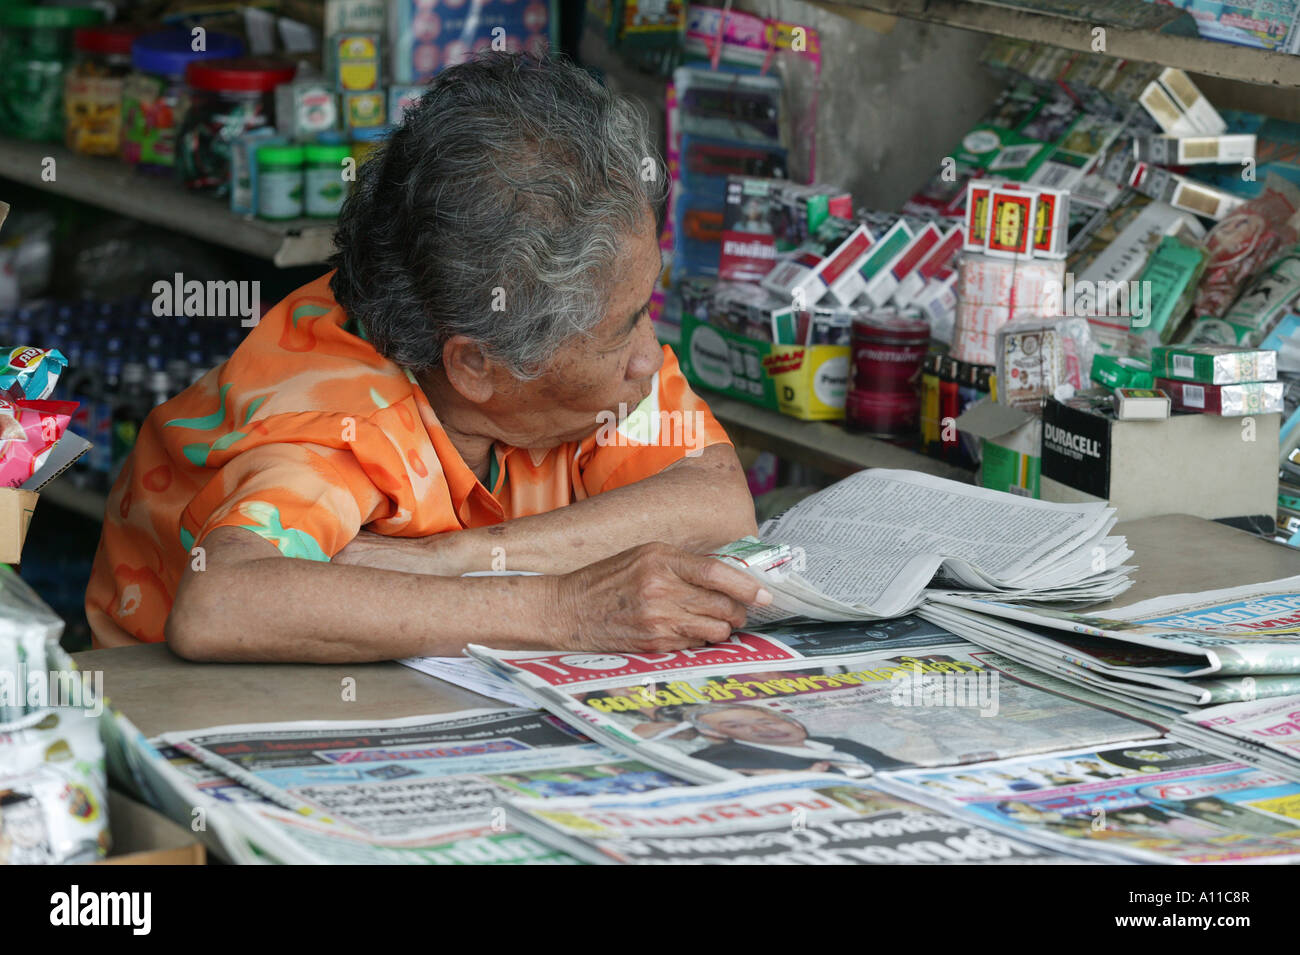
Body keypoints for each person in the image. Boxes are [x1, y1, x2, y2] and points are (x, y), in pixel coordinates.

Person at [85, 52, 769, 661]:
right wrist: (565, 608)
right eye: (624, 328)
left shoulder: (585, 363)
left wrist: (454, 560)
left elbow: (715, 501)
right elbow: (222, 603)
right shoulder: (340, 414)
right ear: (476, 366)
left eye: (643, 311)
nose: (650, 357)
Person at [684, 704, 905, 776]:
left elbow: (898, 768)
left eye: (768, 721)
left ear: (795, 723)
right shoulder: (718, 759)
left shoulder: (841, 744)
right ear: (716, 734)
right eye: (735, 726)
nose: (760, 729)